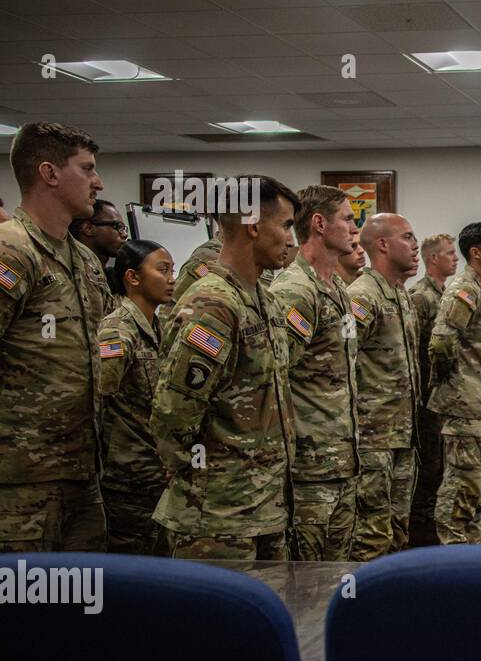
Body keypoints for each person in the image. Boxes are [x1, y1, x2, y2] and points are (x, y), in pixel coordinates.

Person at [151, 175, 298, 560]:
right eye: (285, 225)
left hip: (265, 510)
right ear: (252, 225)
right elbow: (173, 413)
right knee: (214, 622)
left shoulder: (264, 301)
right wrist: (199, 481)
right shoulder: (214, 304)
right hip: (216, 519)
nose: (290, 239)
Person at [0, 121, 111, 552]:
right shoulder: (12, 251)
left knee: (82, 607)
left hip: (82, 472)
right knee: (23, 613)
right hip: (20, 483)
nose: (98, 182)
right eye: (87, 169)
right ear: (49, 173)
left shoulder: (82, 259)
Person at [270, 185, 362, 562]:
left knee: (333, 576)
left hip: (340, 461)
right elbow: (276, 378)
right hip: (309, 468)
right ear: (320, 224)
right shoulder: (296, 290)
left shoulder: (337, 287)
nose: (355, 230)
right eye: (348, 219)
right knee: (305, 578)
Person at [348, 213, 421, 560]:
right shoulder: (362, 297)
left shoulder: (399, 294)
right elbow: (339, 362)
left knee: (397, 532)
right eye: (407, 237)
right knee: (371, 537)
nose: (416, 245)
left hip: (401, 435)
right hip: (372, 438)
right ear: (382, 245)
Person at [429, 222, 481, 545]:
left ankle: (471, 555)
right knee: (461, 484)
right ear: (476, 252)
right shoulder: (465, 288)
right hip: (465, 405)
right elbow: (442, 342)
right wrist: (454, 384)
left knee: (479, 485)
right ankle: (453, 554)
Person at [98, 240, 175, 554]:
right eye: (163, 270)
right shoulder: (117, 331)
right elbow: (98, 402)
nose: (172, 279)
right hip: (128, 480)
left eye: (173, 270)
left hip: (157, 475)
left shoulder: (160, 328)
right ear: (133, 277)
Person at [409, 232, 458, 544]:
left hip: (441, 402)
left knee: (439, 472)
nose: (455, 258)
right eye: (449, 254)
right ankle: (421, 543)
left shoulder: (443, 295)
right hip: (426, 402)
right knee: (427, 475)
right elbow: (415, 352)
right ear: (433, 259)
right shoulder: (420, 297)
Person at [73, 199, 128, 269]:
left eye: (123, 228)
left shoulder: (113, 276)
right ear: (88, 228)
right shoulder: (70, 272)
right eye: (118, 226)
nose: (125, 234)